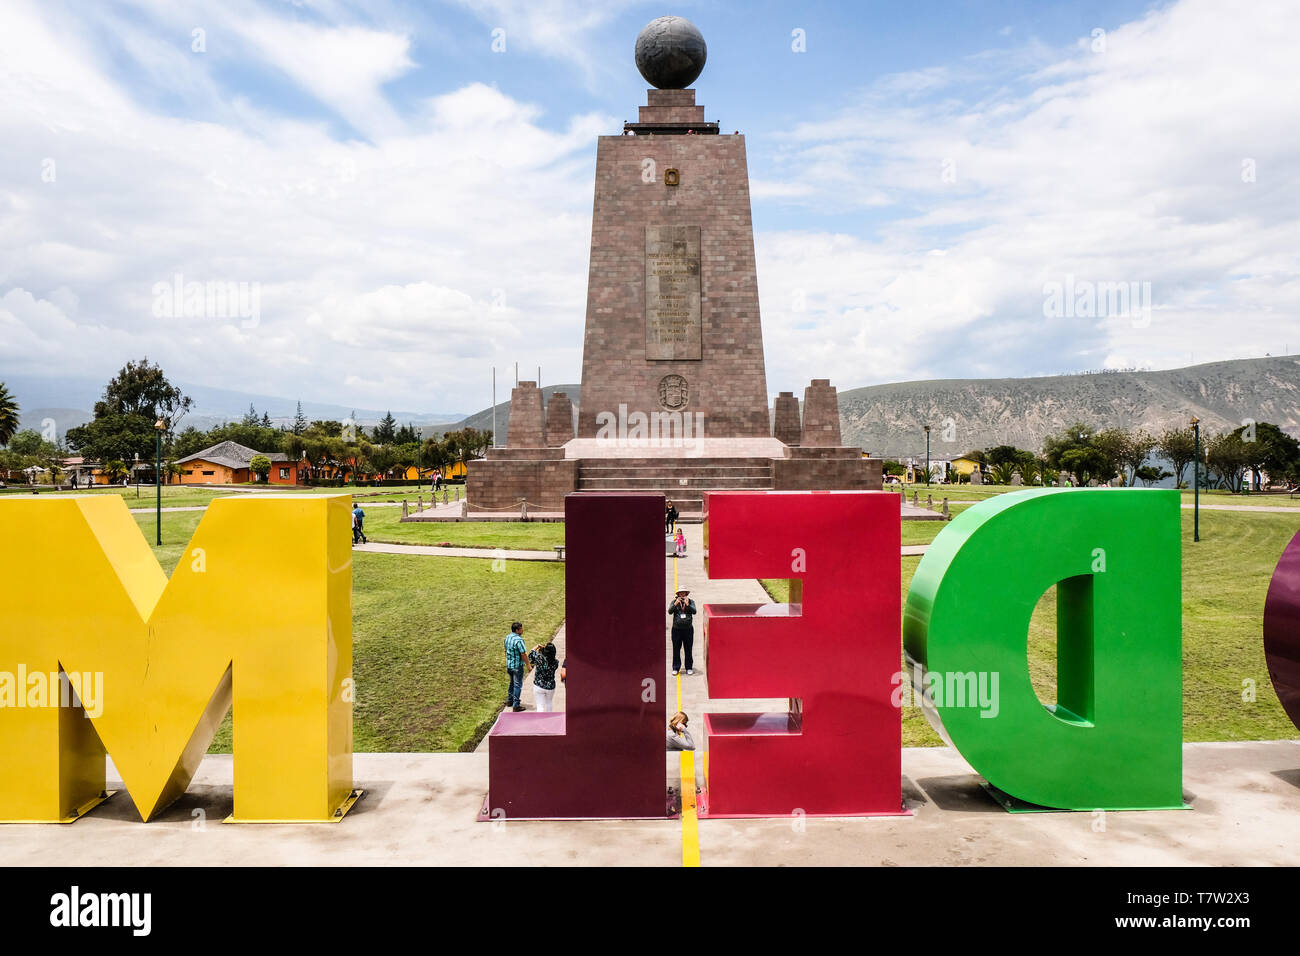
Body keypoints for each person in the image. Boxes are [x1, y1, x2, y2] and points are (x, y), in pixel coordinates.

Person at [668, 588, 696, 676]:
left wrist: (688, 605)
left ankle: (689, 667)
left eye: (683, 593)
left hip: (688, 629)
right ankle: (676, 667)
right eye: (680, 593)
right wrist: (675, 604)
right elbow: (669, 611)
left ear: (686, 593)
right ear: (678, 594)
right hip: (676, 629)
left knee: (688, 649)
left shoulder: (691, 602)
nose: (682, 595)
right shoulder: (674, 602)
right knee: (676, 649)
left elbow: (694, 611)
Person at [528, 642, 559, 712]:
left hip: (539, 685)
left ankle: (540, 721)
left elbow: (531, 653)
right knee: (549, 703)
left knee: (540, 706)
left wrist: (538, 646)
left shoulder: (539, 658)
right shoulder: (556, 662)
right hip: (550, 686)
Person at [504, 621, 528, 712]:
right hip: (517, 666)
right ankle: (516, 705)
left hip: (509, 665)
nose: (522, 630)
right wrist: (528, 665)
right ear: (517, 630)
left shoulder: (507, 637)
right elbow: (523, 654)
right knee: (517, 685)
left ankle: (509, 700)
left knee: (512, 683)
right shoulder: (519, 640)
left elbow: (506, 650)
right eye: (521, 628)